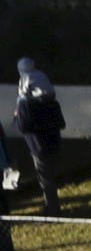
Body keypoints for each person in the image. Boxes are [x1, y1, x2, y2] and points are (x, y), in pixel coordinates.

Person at [10, 57, 61, 207]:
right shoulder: (51, 101)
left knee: (45, 177)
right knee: (50, 174)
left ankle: (52, 207)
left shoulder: (26, 104)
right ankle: (53, 204)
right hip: (53, 141)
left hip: (38, 145)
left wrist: (17, 115)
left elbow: (21, 126)